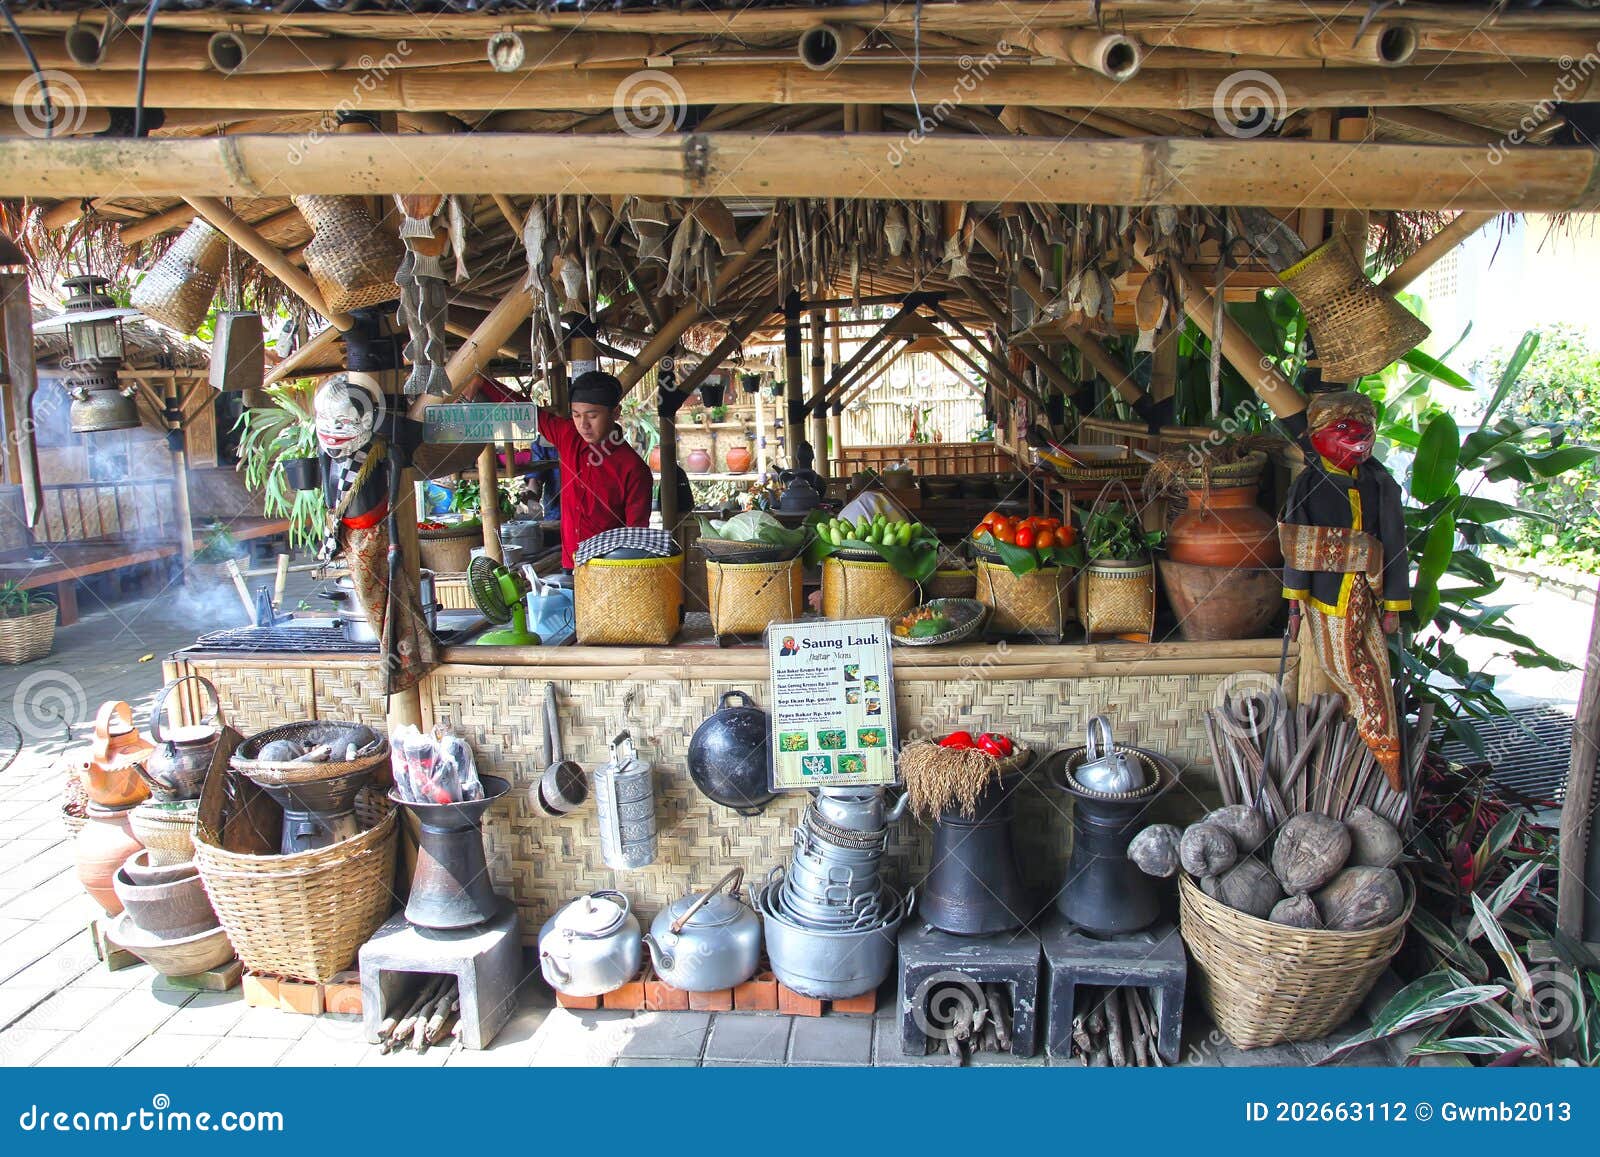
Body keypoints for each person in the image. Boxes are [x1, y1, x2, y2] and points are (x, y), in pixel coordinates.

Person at [1279, 390, 1410, 789]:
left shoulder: (1379, 483)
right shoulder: (1308, 485)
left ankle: (1378, 739)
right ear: (1318, 435)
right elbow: (1298, 549)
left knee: (1371, 666)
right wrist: (1295, 606)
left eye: (1365, 427)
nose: (1359, 436)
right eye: (1342, 428)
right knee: (1349, 668)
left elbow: (1394, 542)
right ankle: (1371, 731)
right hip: (1327, 598)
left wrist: (1393, 605)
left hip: (1368, 595)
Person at [536, 370, 653, 570]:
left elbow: (636, 536)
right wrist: (481, 382)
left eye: (592, 415)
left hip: (609, 572)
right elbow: (526, 410)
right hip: (570, 566)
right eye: (576, 415)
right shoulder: (567, 436)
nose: (583, 425)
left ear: (615, 413)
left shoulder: (633, 469)